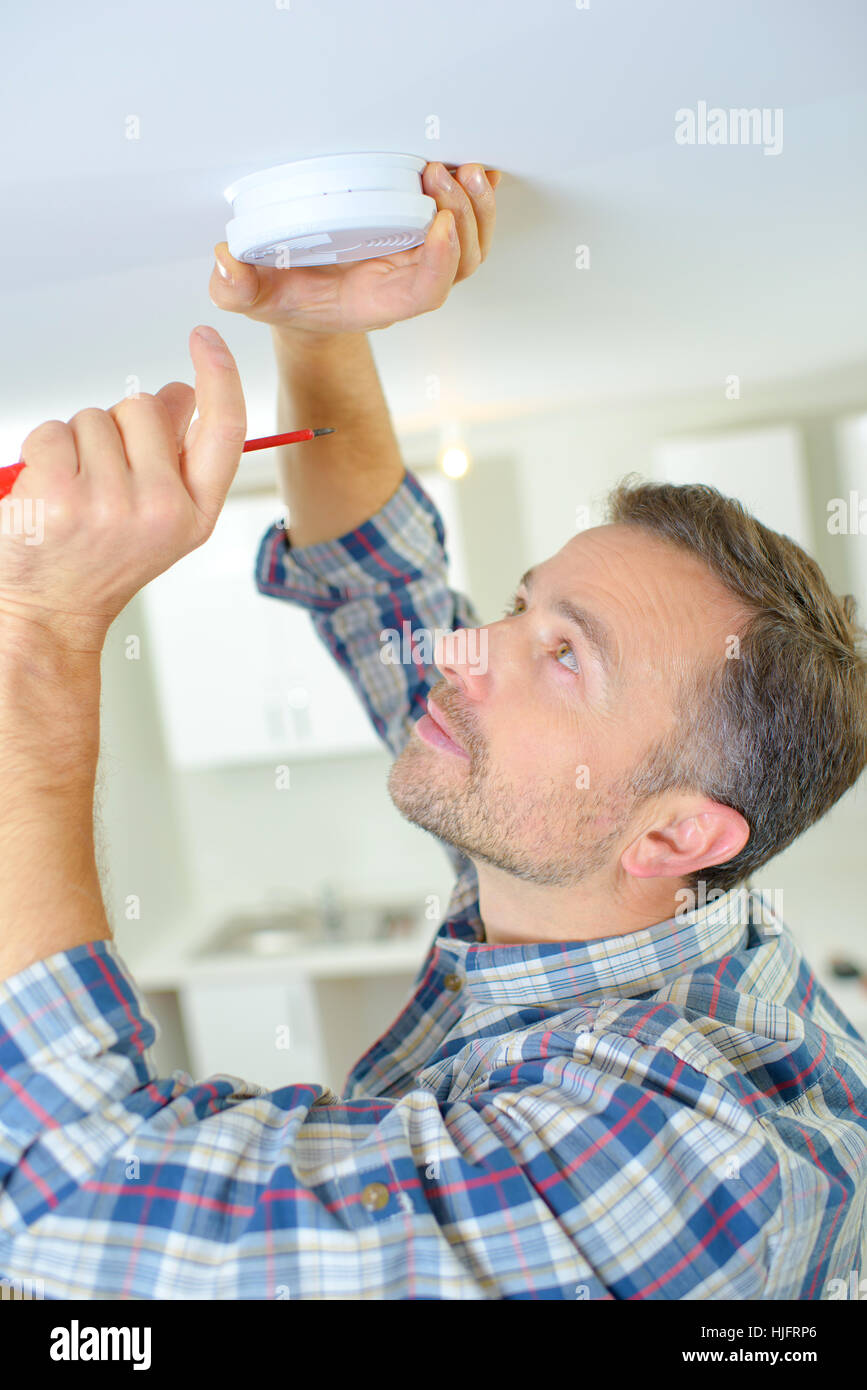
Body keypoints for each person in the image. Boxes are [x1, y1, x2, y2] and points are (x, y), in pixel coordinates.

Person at [0, 161, 864, 1300]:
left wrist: (42, 629)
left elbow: (69, 1199)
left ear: (675, 835)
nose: (459, 651)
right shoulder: (600, 871)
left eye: (564, 655)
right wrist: (315, 331)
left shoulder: (701, 1150)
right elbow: (384, 593)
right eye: (520, 608)